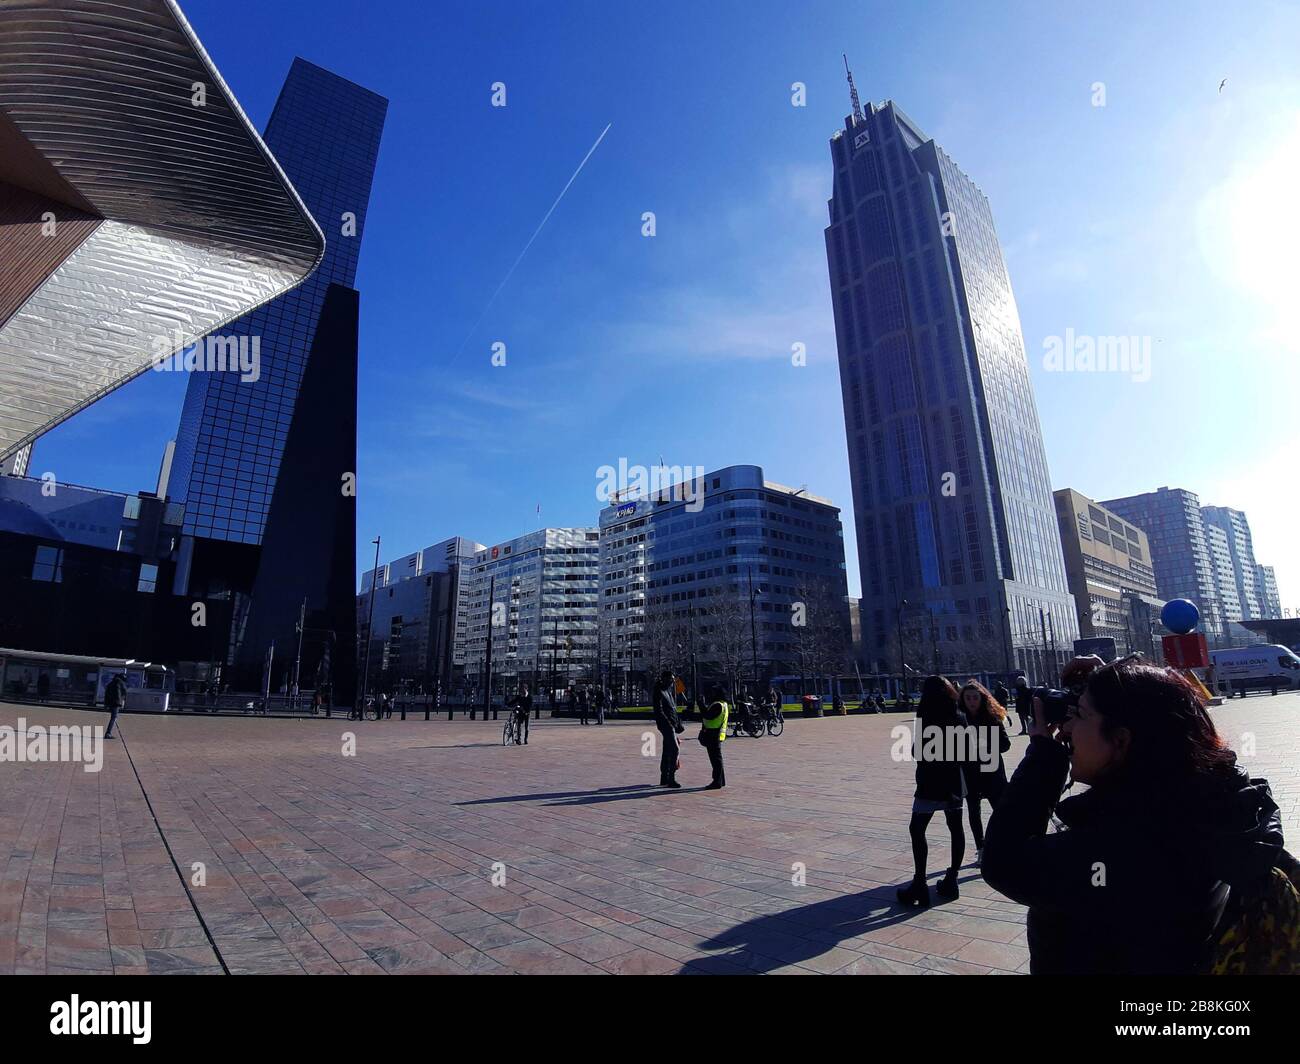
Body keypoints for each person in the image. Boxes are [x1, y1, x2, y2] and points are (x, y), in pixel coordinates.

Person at [982, 656, 1286, 975]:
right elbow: (1169, 710)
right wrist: (1119, 681)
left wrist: (1044, 757)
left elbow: (1003, 861)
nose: (1068, 726)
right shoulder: (1213, 802)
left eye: (1081, 714)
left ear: (1122, 739)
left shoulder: (1123, 846)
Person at [896, 676, 977, 908]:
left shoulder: (926, 714)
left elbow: (918, 751)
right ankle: (952, 879)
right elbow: (968, 751)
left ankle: (920, 883)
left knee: (917, 828)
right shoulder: (959, 716)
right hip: (953, 782)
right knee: (956, 828)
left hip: (930, 783)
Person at [957, 679, 1011, 866]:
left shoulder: (992, 717)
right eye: (968, 698)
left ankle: (1003, 844)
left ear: (982, 698)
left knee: (1001, 810)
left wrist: (984, 744)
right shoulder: (959, 718)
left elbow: (1005, 744)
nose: (972, 701)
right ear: (963, 699)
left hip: (992, 771)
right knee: (974, 811)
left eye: (975, 698)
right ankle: (981, 848)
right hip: (971, 773)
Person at [653, 670, 685, 788]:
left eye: (673, 680)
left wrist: (677, 722)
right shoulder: (659, 691)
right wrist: (669, 724)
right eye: (670, 680)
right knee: (675, 749)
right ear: (664, 679)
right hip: (666, 725)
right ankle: (671, 777)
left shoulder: (668, 691)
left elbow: (673, 708)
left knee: (667, 750)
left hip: (671, 724)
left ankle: (664, 777)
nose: (672, 682)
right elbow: (659, 710)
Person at [698, 683, 729, 789]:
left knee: (715, 760)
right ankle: (720, 780)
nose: (710, 694)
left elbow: (708, 716)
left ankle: (717, 781)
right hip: (717, 734)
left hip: (713, 734)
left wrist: (701, 704)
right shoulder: (723, 704)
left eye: (713, 692)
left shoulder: (717, 705)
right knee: (717, 759)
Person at [103, 671, 127, 739]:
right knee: (114, 718)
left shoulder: (110, 684)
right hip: (116, 703)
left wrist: (106, 704)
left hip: (110, 703)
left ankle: (108, 733)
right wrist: (122, 701)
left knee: (113, 718)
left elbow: (106, 694)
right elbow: (125, 692)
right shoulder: (121, 683)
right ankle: (108, 733)